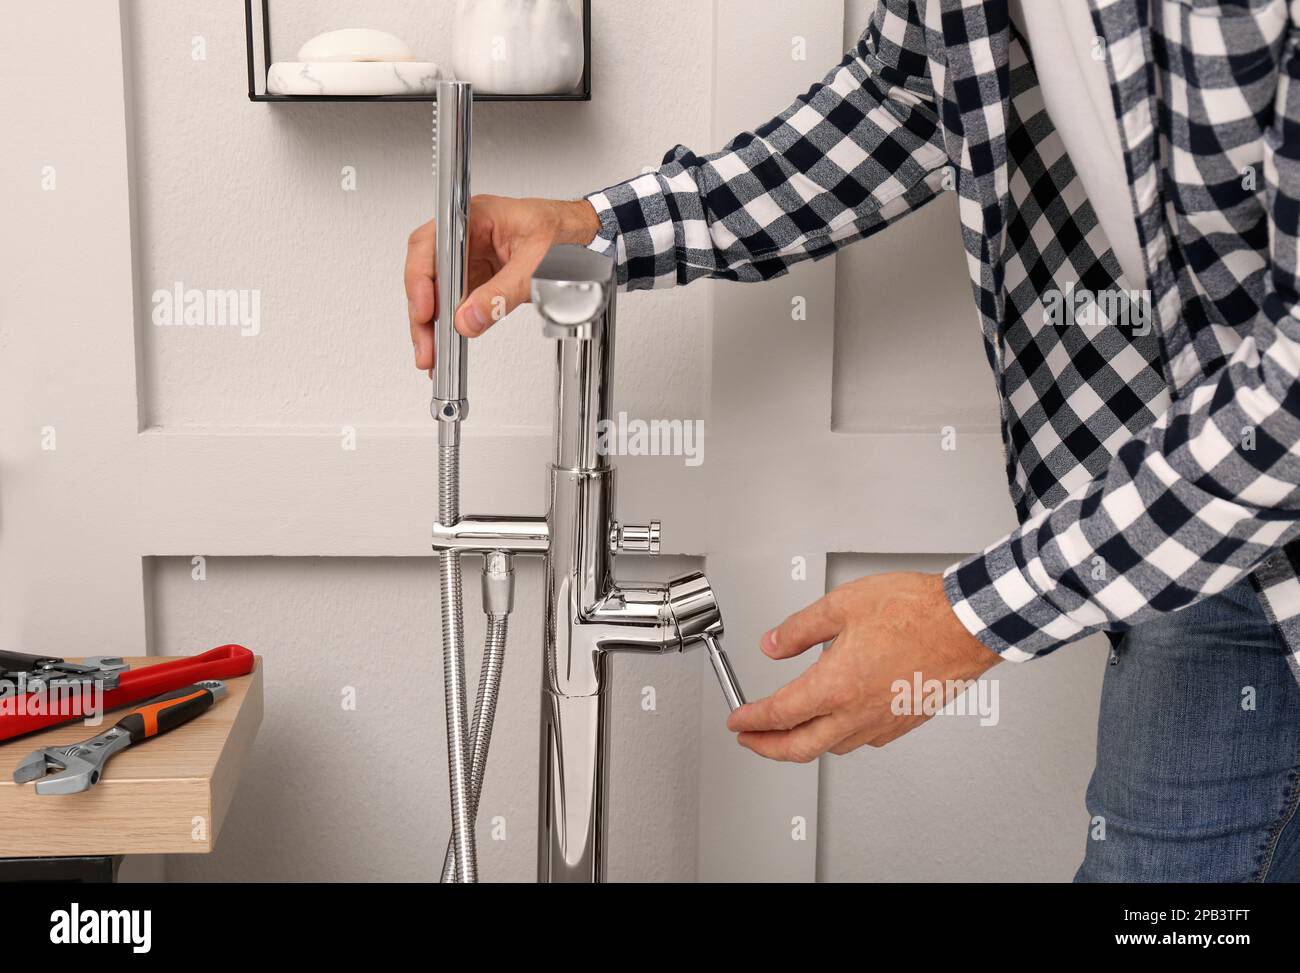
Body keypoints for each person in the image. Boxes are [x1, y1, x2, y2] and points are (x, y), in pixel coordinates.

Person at [405, 0, 1300, 882]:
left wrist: (964, 619)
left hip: (1252, 488)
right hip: (1192, 511)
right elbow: (900, 99)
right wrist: (596, 227)